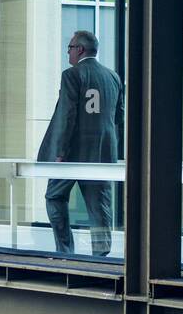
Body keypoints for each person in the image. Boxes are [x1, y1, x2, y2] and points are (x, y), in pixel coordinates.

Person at [37, 29, 124, 257]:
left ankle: (65, 250)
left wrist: (60, 151)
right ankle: (101, 256)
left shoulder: (72, 75)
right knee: (99, 206)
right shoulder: (113, 77)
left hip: (72, 153)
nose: (68, 52)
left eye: (70, 47)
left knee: (54, 196)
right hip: (104, 154)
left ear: (81, 50)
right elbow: (118, 117)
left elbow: (68, 115)